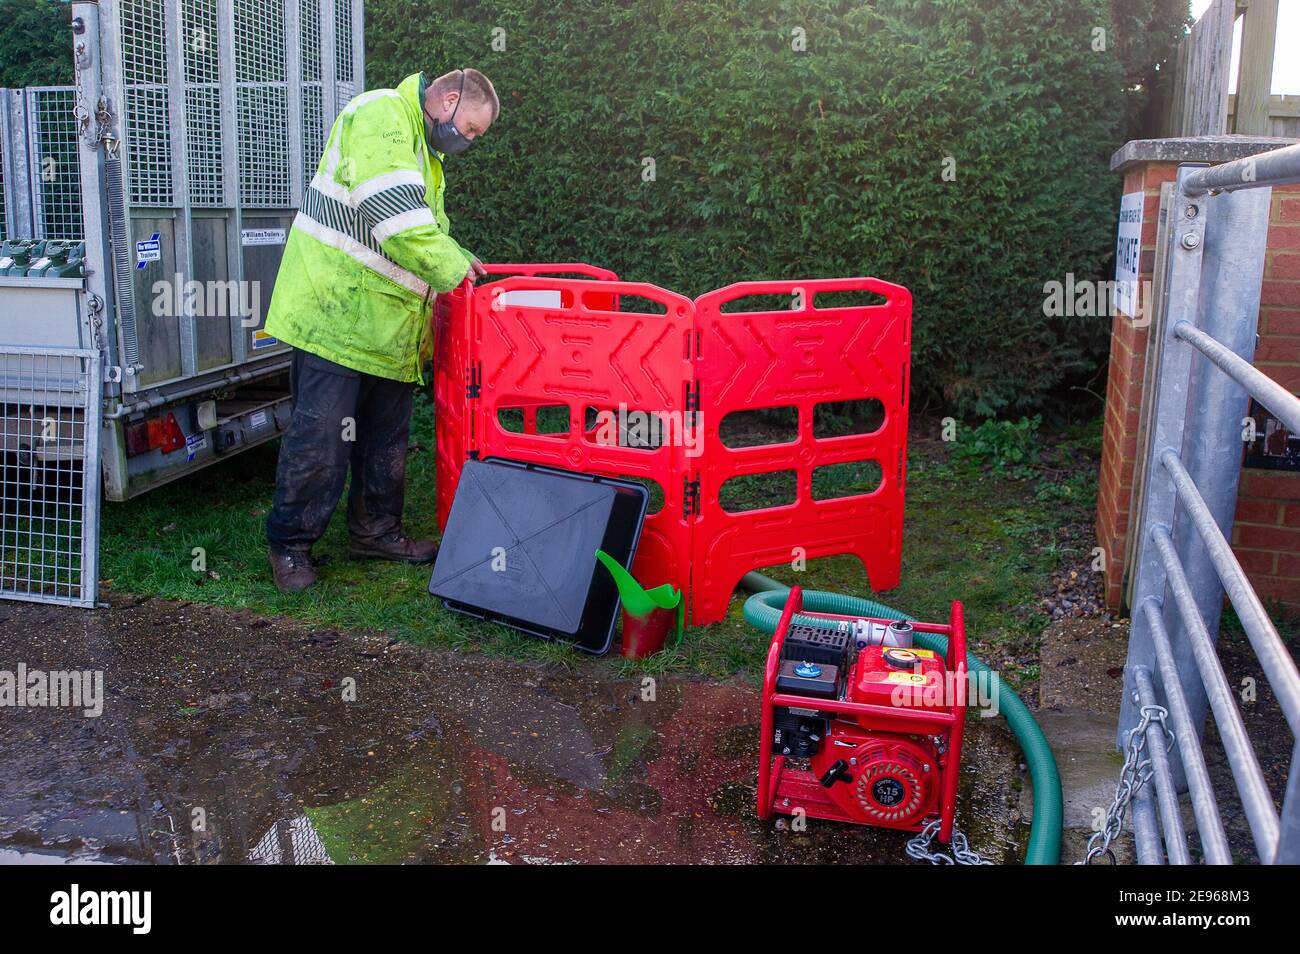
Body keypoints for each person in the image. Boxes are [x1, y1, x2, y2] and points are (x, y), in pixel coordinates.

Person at [262, 68, 498, 593]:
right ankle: (291, 546)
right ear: (451, 100)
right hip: (336, 316)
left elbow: (429, 231)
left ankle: (376, 533)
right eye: (472, 129)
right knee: (320, 440)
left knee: (384, 440)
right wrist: (455, 271)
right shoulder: (381, 115)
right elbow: (397, 221)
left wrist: (459, 255)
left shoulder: (425, 150)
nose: (469, 141)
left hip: (387, 329)